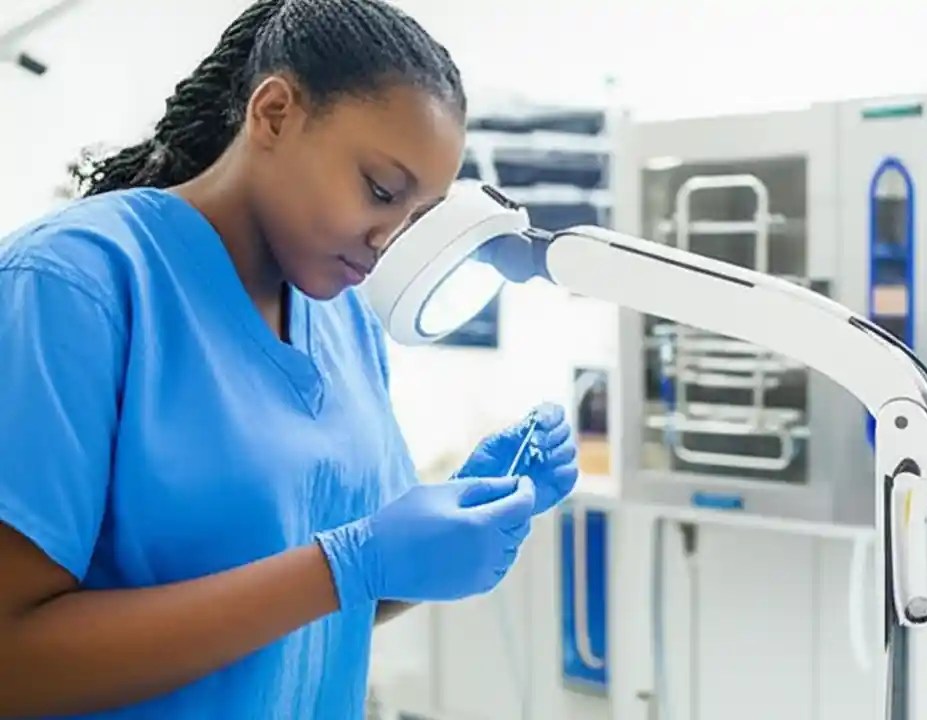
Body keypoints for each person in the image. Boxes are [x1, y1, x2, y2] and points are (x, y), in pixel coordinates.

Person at [0, 0, 579, 717]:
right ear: (273, 114)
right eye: (379, 190)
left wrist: (450, 528)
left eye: (416, 217)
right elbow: (11, 659)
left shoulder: (344, 322)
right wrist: (350, 562)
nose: (387, 239)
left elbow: (318, 604)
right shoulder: (77, 284)